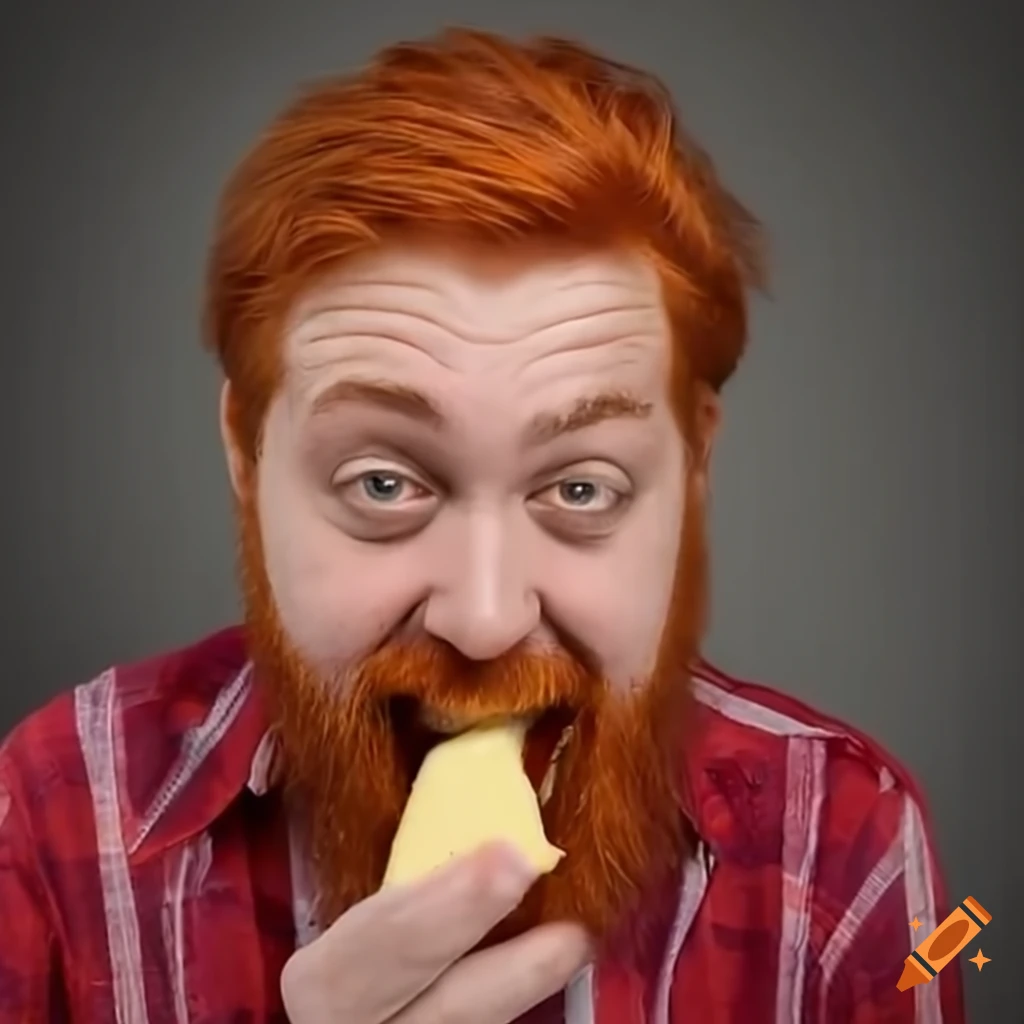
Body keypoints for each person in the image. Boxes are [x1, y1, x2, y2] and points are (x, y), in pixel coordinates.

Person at [0, 27, 965, 1024]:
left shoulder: (843, 841)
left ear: (695, 467)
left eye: (582, 489)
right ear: (246, 455)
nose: (486, 620)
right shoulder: (52, 804)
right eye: (383, 483)